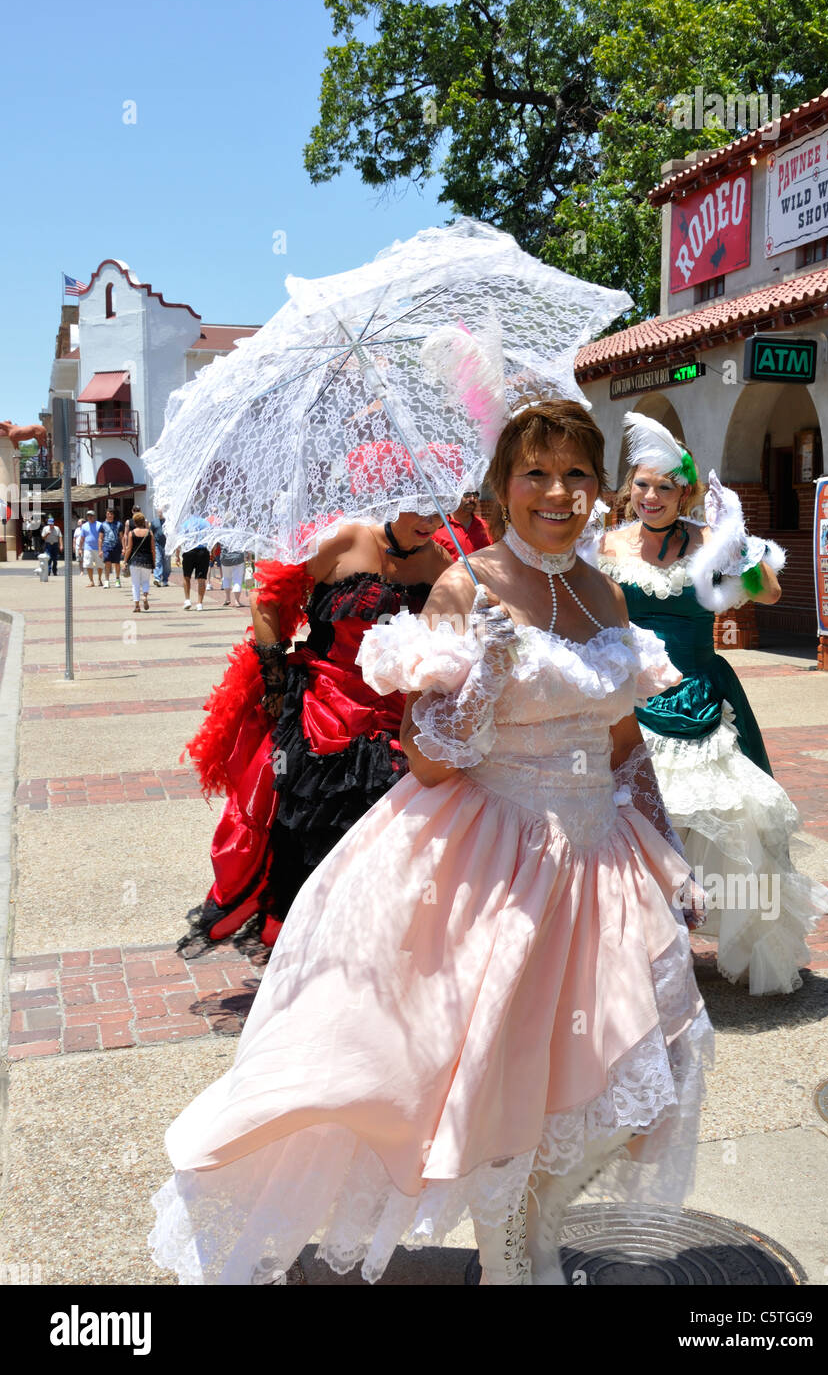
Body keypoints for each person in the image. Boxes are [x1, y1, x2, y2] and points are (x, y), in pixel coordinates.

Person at [149, 402, 712, 1286]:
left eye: (573, 473)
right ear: (500, 489)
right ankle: (507, 1266)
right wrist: (479, 677)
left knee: (628, 1074)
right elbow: (429, 758)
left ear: (599, 491)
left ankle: (537, 1234)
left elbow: (620, 739)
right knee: (496, 1082)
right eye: (534, 473)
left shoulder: (603, 590)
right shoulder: (466, 585)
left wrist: (667, 850)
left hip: (601, 857)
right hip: (496, 861)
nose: (555, 492)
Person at [592, 412, 828, 995]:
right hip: (629, 698)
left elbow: (769, 593)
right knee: (633, 820)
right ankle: (639, 946)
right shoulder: (606, 545)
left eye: (665, 487)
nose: (652, 496)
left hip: (702, 695)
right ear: (631, 490)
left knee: (729, 818)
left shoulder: (708, 539)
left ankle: (733, 935)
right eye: (643, 485)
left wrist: (739, 543)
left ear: (685, 492)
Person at [179, 496, 450, 959]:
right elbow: (268, 600)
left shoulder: (442, 561)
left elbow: (458, 632)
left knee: (389, 836)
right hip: (325, 708)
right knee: (310, 827)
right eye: (419, 508)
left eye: (437, 510)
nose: (430, 520)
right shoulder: (344, 538)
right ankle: (302, 941)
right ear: (395, 500)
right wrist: (274, 676)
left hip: (397, 718)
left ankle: (368, 946)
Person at [433, 489, 493, 559]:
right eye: (467, 494)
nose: (472, 499)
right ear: (455, 496)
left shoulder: (486, 528)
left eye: (476, 495)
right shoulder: (437, 528)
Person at [123, 510, 155, 613]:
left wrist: (125, 561)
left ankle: (137, 605)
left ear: (135, 522)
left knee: (135, 584)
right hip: (147, 561)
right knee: (145, 581)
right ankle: (145, 596)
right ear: (143, 522)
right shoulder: (149, 533)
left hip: (135, 561)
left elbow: (128, 548)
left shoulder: (132, 533)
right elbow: (153, 549)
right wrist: (154, 562)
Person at [80, 508, 105, 588]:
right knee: (88, 564)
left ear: (94, 516)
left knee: (100, 564)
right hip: (88, 547)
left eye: (91, 516)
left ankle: (99, 579)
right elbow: (82, 538)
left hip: (98, 548)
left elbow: (103, 536)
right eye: (88, 516)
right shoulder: (84, 526)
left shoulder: (99, 524)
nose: (90, 517)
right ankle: (91, 581)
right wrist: (80, 548)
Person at [181, 543, 210, 610]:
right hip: (203, 551)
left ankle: (187, 600)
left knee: (186, 577)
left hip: (189, 549)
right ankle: (199, 603)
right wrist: (212, 551)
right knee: (202, 579)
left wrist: (177, 554)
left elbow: (181, 538)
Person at [101, 508, 124, 588]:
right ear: (106, 515)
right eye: (108, 514)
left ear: (113, 515)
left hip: (116, 545)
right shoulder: (103, 525)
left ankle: (117, 579)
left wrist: (124, 547)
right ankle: (107, 581)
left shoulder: (119, 524)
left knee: (117, 563)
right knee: (107, 563)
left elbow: (122, 537)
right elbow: (100, 538)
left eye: (111, 514)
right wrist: (100, 549)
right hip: (106, 545)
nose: (109, 515)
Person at [152, 511, 171, 587]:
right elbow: (151, 532)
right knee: (158, 561)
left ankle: (165, 580)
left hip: (167, 545)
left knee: (166, 564)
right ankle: (157, 578)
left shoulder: (168, 522)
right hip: (157, 544)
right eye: (159, 512)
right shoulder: (154, 522)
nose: (160, 514)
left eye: (161, 512)